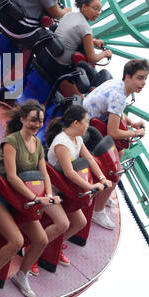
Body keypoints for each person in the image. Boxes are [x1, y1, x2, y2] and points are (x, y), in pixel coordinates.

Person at [0, 100, 73, 297]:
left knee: (41, 240)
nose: (37, 124)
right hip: (1, 196)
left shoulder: (37, 144)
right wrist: (35, 198)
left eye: (40, 121)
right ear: (22, 119)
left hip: (23, 200)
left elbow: (44, 172)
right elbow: (11, 177)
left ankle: (22, 274)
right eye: (33, 120)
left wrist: (48, 195)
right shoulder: (11, 142)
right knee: (16, 241)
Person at [84, 58, 149, 229]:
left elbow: (116, 111)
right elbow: (113, 132)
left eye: (145, 78)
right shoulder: (120, 95)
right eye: (140, 78)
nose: (143, 83)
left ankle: (102, 197)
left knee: (119, 153)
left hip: (88, 120)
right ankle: (97, 211)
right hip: (87, 131)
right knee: (116, 170)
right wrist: (135, 133)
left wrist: (131, 122)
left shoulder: (117, 84)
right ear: (128, 76)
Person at [45, 102, 112, 256]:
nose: (88, 126)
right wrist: (90, 187)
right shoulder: (62, 143)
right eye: (86, 122)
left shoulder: (77, 139)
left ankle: (55, 248)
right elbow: (69, 172)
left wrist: (102, 178)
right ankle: (33, 249)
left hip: (66, 189)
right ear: (76, 123)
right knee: (63, 223)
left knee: (80, 222)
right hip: (52, 189)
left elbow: (89, 158)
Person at [55, 0, 112, 67]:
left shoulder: (70, 14)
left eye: (100, 10)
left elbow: (75, 33)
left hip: (49, 52)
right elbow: (92, 59)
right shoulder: (86, 28)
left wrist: (94, 41)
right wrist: (105, 54)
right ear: (84, 7)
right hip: (60, 64)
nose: (98, 13)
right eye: (95, 8)